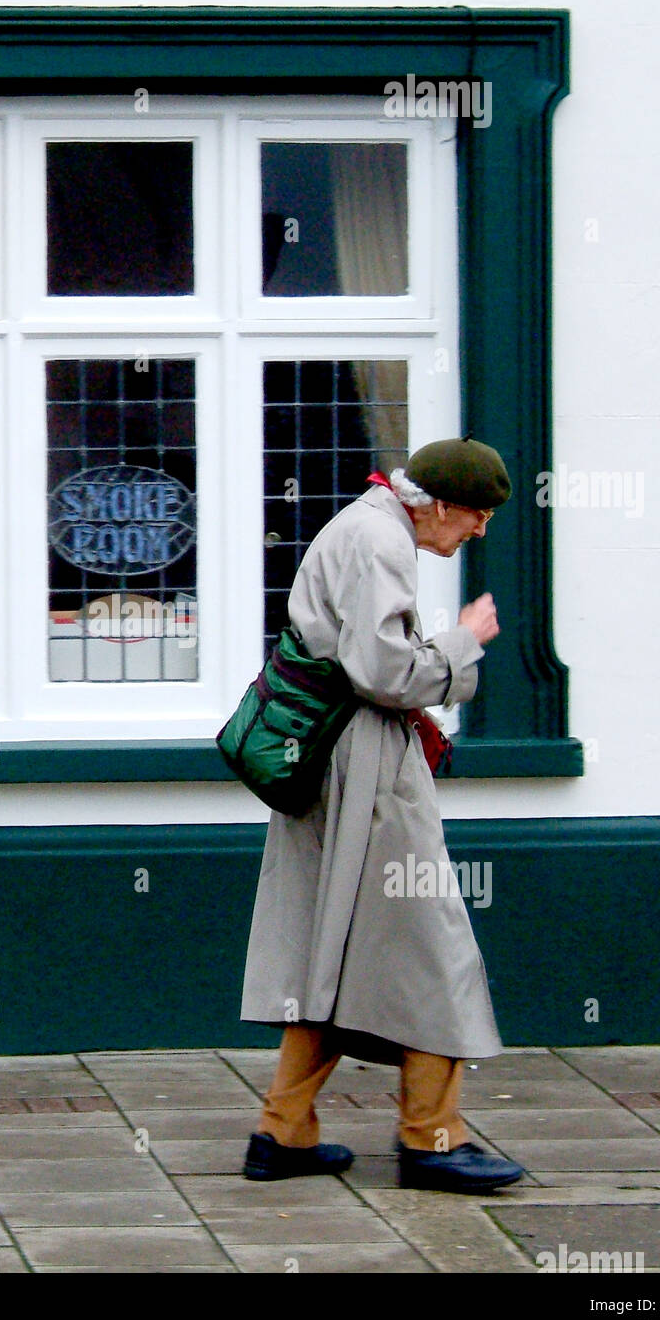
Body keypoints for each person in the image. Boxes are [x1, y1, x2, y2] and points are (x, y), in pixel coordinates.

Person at [240, 437, 525, 1193]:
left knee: (332, 948)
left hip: (333, 756)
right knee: (432, 946)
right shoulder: (378, 543)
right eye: (475, 515)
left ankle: (283, 1131)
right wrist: (462, 645)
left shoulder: (367, 527)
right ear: (434, 504)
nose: (478, 531)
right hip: (362, 765)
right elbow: (385, 672)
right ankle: (431, 1141)